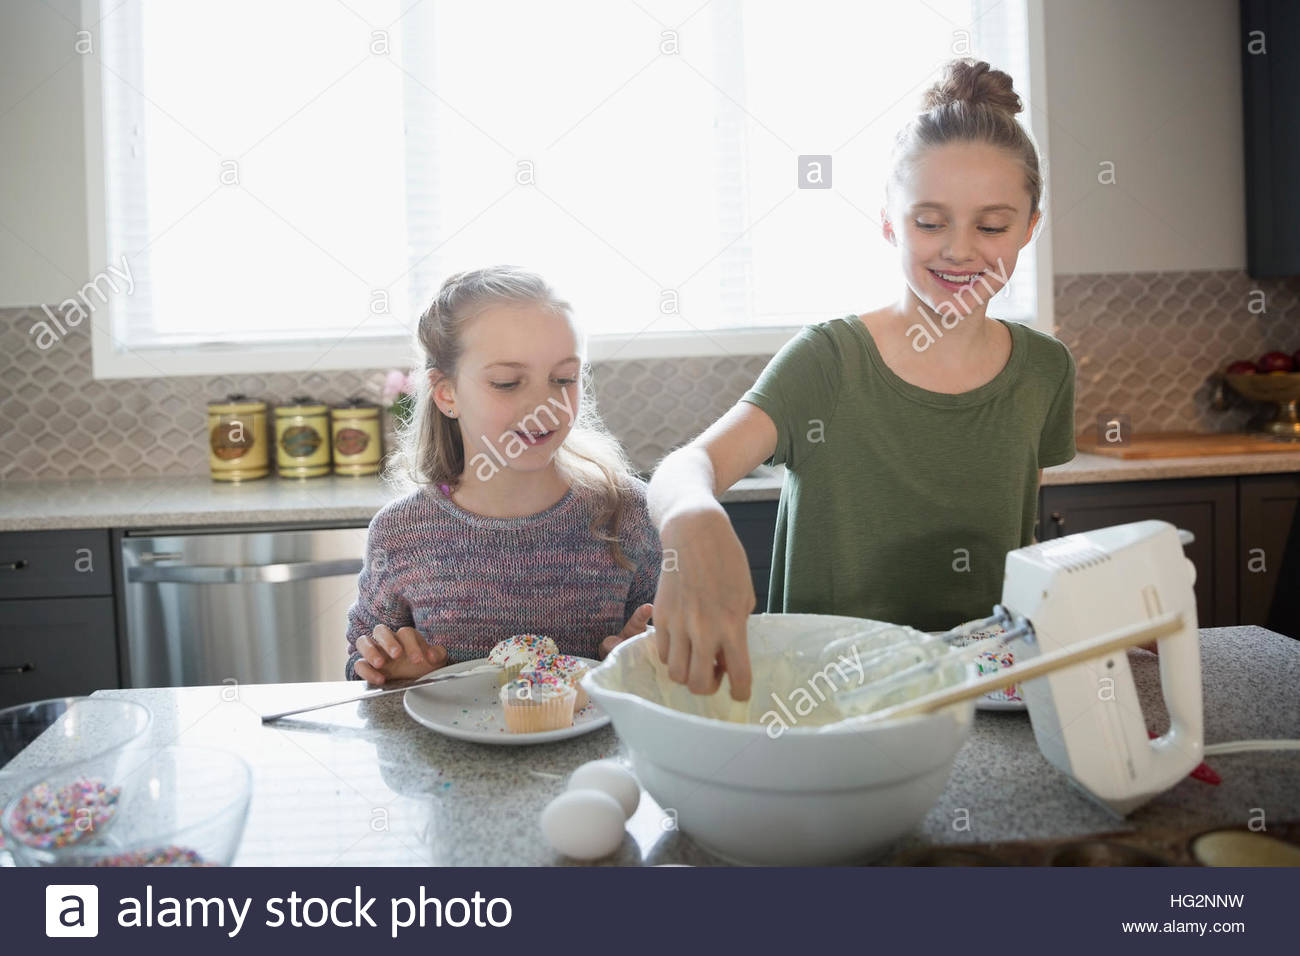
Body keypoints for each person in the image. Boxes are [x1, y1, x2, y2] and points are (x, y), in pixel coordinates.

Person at [647, 58, 1076, 701]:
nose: (960, 250)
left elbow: (1020, 539)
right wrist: (692, 516)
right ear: (887, 222)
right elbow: (686, 466)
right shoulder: (828, 361)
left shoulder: (1046, 369)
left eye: (992, 226)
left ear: (1030, 228)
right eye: (929, 223)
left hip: (981, 699)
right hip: (823, 704)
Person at [346, 266, 658, 684]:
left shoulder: (630, 513)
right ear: (446, 393)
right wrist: (391, 671)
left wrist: (642, 659)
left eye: (563, 379)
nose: (543, 404)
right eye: (508, 383)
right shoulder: (400, 532)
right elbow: (359, 665)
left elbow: (682, 661)